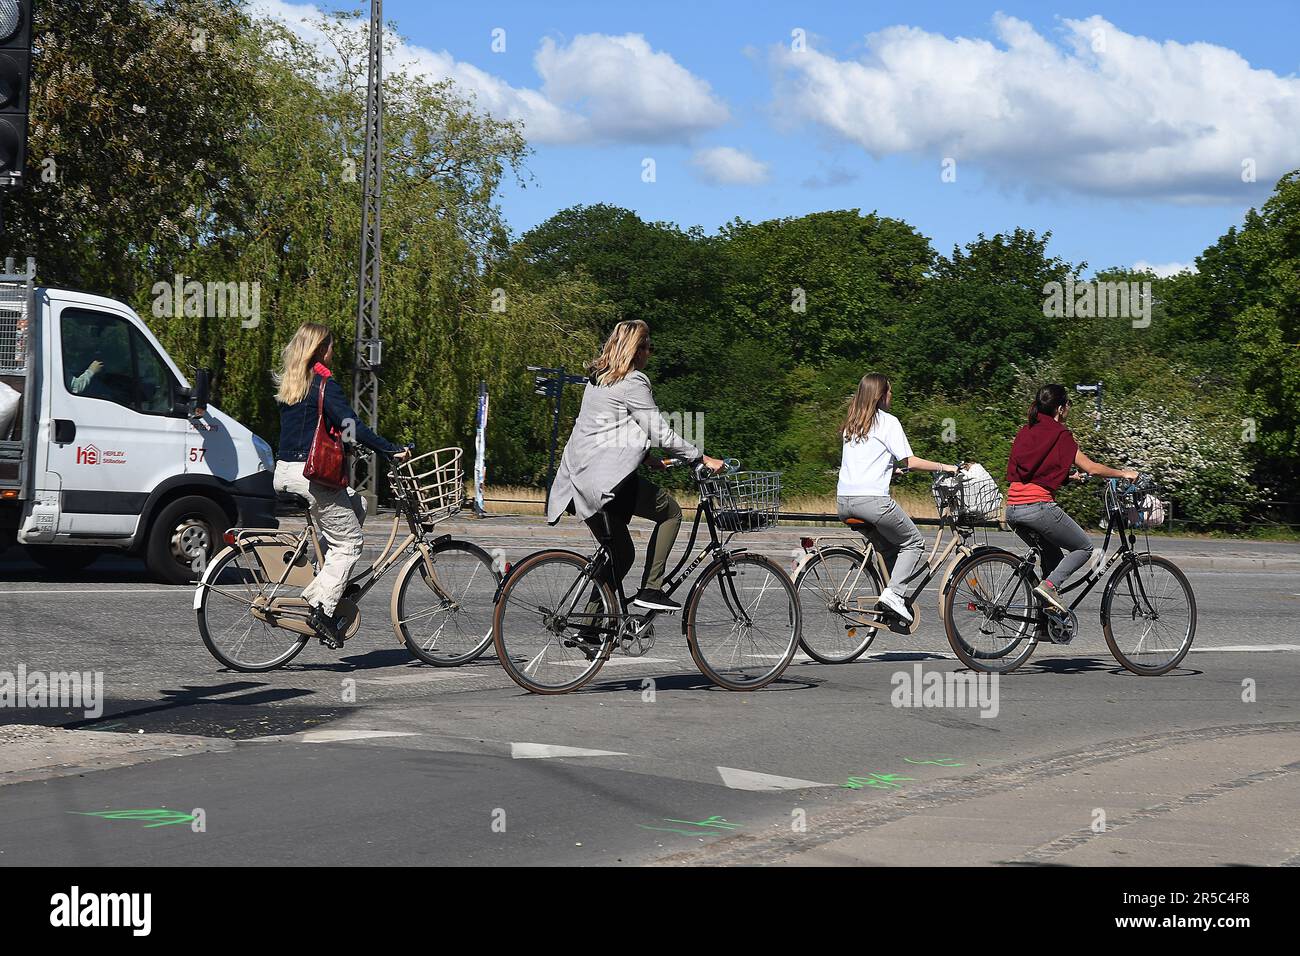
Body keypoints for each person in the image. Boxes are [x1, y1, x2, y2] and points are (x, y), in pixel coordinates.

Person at [546, 319, 724, 614]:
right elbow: (660, 433)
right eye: (648, 347)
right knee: (671, 512)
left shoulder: (598, 380)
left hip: (576, 481)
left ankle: (589, 629)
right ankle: (651, 590)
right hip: (604, 485)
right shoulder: (633, 382)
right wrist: (700, 458)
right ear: (635, 349)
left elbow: (602, 430)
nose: (650, 353)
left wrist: (644, 458)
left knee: (621, 554)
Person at [272, 322, 408, 647]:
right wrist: (390, 449)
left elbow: (320, 428)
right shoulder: (323, 384)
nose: (333, 352)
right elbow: (351, 425)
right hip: (312, 476)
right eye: (330, 347)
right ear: (321, 349)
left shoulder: (292, 383)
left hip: (286, 471)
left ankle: (328, 576)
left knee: (356, 503)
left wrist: (347, 440)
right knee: (351, 544)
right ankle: (321, 609)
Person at [837, 373, 959, 625]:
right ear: (881, 396)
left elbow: (864, 462)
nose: (892, 397)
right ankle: (894, 595)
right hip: (872, 502)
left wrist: (891, 470)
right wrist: (945, 466)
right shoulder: (888, 422)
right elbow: (910, 460)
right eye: (890, 392)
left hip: (843, 501)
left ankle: (890, 599)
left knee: (891, 548)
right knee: (914, 542)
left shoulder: (852, 424)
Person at [1006, 383, 1137, 611]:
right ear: (1059, 408)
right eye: (1068, 404)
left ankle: (1046, 620)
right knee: (1084, 548)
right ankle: (1048, 588)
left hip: (1013, 509)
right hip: (1038, 508)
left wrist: (1068, 478)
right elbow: (1092, 468)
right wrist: (1123, 473)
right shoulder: (1060, 434)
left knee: (1053, 558)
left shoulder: (1026, 430)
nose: (1069, 408)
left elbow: (1031, 471)